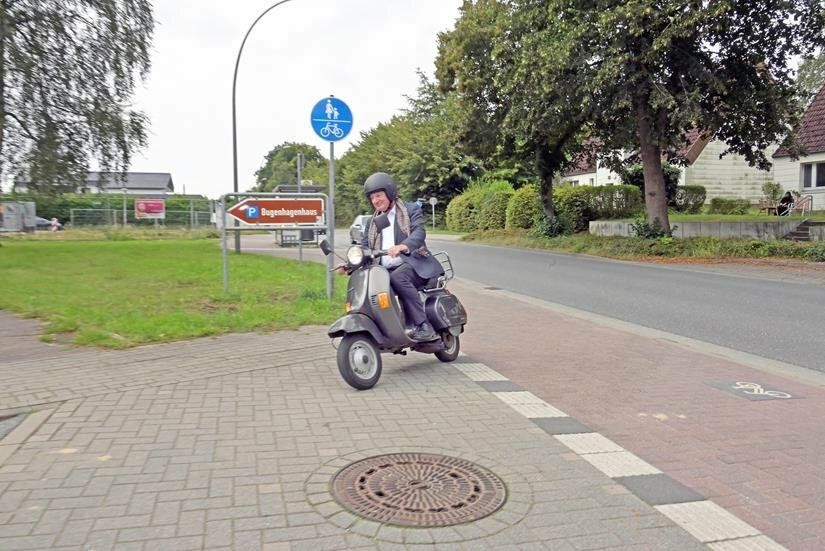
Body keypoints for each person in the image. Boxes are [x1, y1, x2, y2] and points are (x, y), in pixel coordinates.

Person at [358, 172, 444, 341]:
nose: (375, 200)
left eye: (379, 195)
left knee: (397, 277)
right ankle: (388, 327)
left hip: (414, 263)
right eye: (372, 197)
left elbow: (419, 231)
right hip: (383, 269)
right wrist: (350, 262)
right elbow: (364, 245)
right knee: (371, 286)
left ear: (389, 193)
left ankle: (423, 325)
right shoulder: (372, 222)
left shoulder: (410, 210)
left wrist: (404, 246)